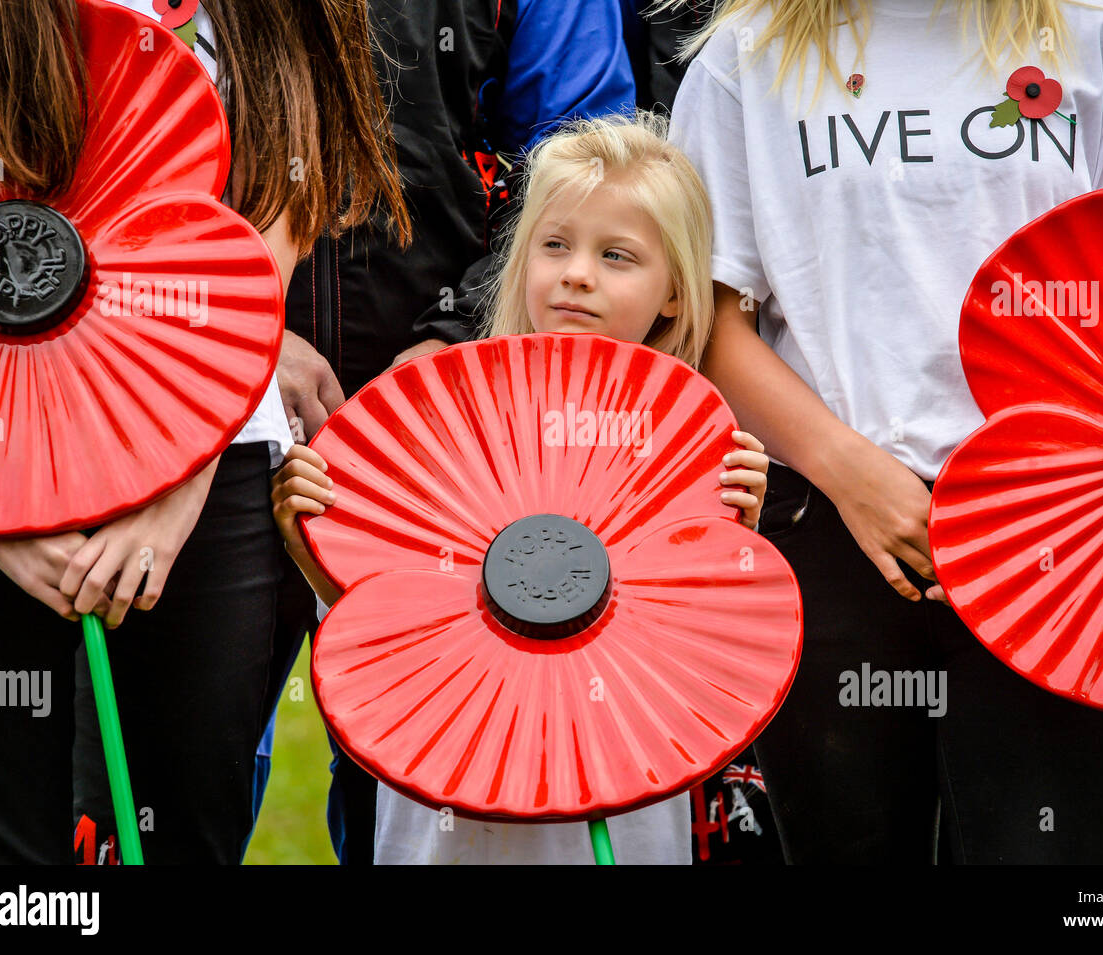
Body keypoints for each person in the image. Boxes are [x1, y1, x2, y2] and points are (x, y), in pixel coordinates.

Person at [665, 0, 1103, 863]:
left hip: (1051, 543)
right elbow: (708, 322)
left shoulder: (1096, 41)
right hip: (830, 531)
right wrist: (852, 475)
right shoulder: (743, 58)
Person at [0, 0, 409, 864]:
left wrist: (171, 498)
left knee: (175, 830)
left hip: (208, 470)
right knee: (8, 854)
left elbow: (270, 228)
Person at [271, 112, 770, 864]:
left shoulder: (692, 457)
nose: (576, 273)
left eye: (618, 256)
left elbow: (705, 655)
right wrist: (308, 536)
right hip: (454, 802)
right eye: (556, 244)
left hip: (618, 803)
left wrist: (740, 534)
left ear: (675, 291)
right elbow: (376, 613)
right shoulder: (449, 430)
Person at [265, 0, 642, 863]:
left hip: (460, 444)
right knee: (159, 782)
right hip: (210, 404)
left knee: (426, 775)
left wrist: (454, 343)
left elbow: (585, 171)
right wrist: (248, 331)